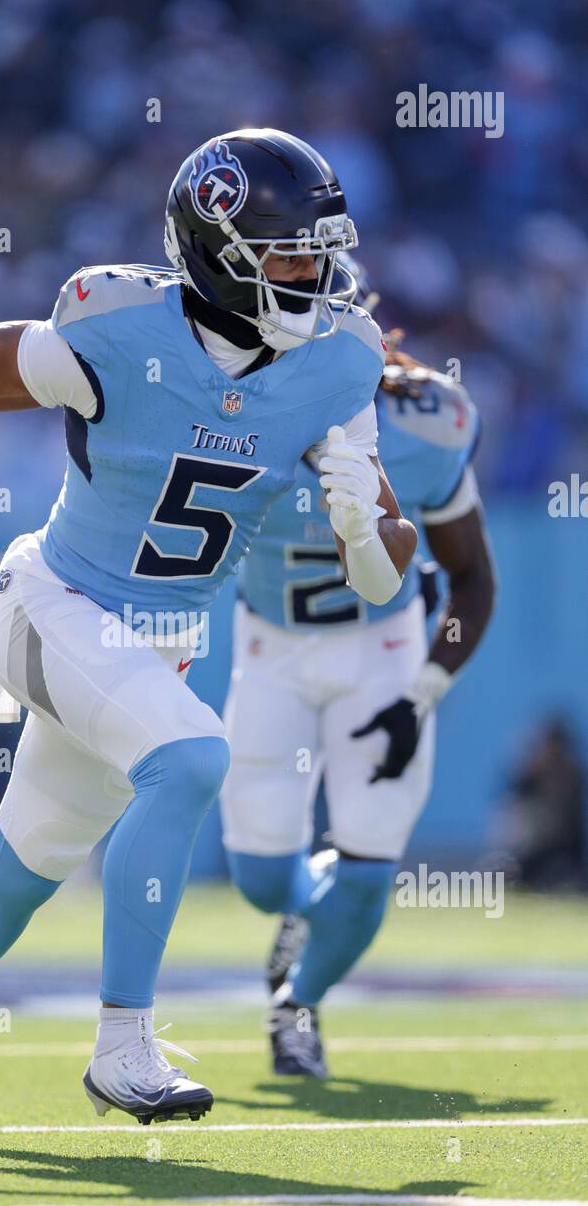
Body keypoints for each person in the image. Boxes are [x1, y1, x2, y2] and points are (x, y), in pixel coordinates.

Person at [0, 129, 415, 1139]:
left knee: (15, 882)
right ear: (213, 250)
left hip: (152, 646)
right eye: (284, 253)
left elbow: (379, 575)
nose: (310, 275)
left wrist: (361, 522)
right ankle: (123, 1044)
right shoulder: (118, 330)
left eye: (318, 252)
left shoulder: (333, 366)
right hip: (50, 606)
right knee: (192, 755)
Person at [220, 254, 496, 1079]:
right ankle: (308, 911)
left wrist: (422, 694)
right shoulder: (226, 405)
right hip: (269, 647)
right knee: (263, 877)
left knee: (372, 867)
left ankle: (296, 1006)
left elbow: (473, 581)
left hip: (382, 650)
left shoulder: (423, 425)